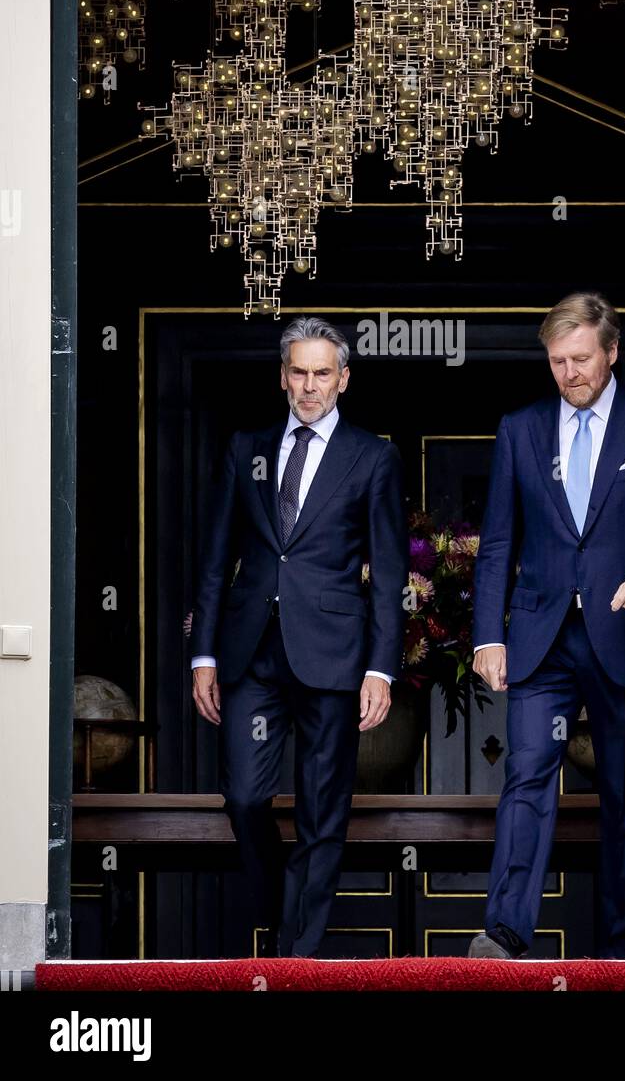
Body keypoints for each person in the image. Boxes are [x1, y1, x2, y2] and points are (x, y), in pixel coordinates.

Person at [468, 291, 625, 961]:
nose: (569, 372)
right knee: (526, 778)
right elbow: (497, 544)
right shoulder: (520, 428)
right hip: (541, 637)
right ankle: (507, 930)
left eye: (580, 358)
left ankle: (622, 950)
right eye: (556, 361)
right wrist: (489, 635)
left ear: (610, 352)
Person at [189, 315, 408, 958]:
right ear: (282, 377)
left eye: (322, 373)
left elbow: (391, 570)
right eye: (298, 372)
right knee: (247, 797)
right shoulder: (245, 449)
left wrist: (382, 667)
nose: (309, 386)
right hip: (250, 652)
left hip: (335, 658)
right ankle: (282, 904)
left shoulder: (373, 457)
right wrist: (203, 652)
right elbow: (215, 559)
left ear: (343, 378)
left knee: (321, 811)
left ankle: (297, 956)